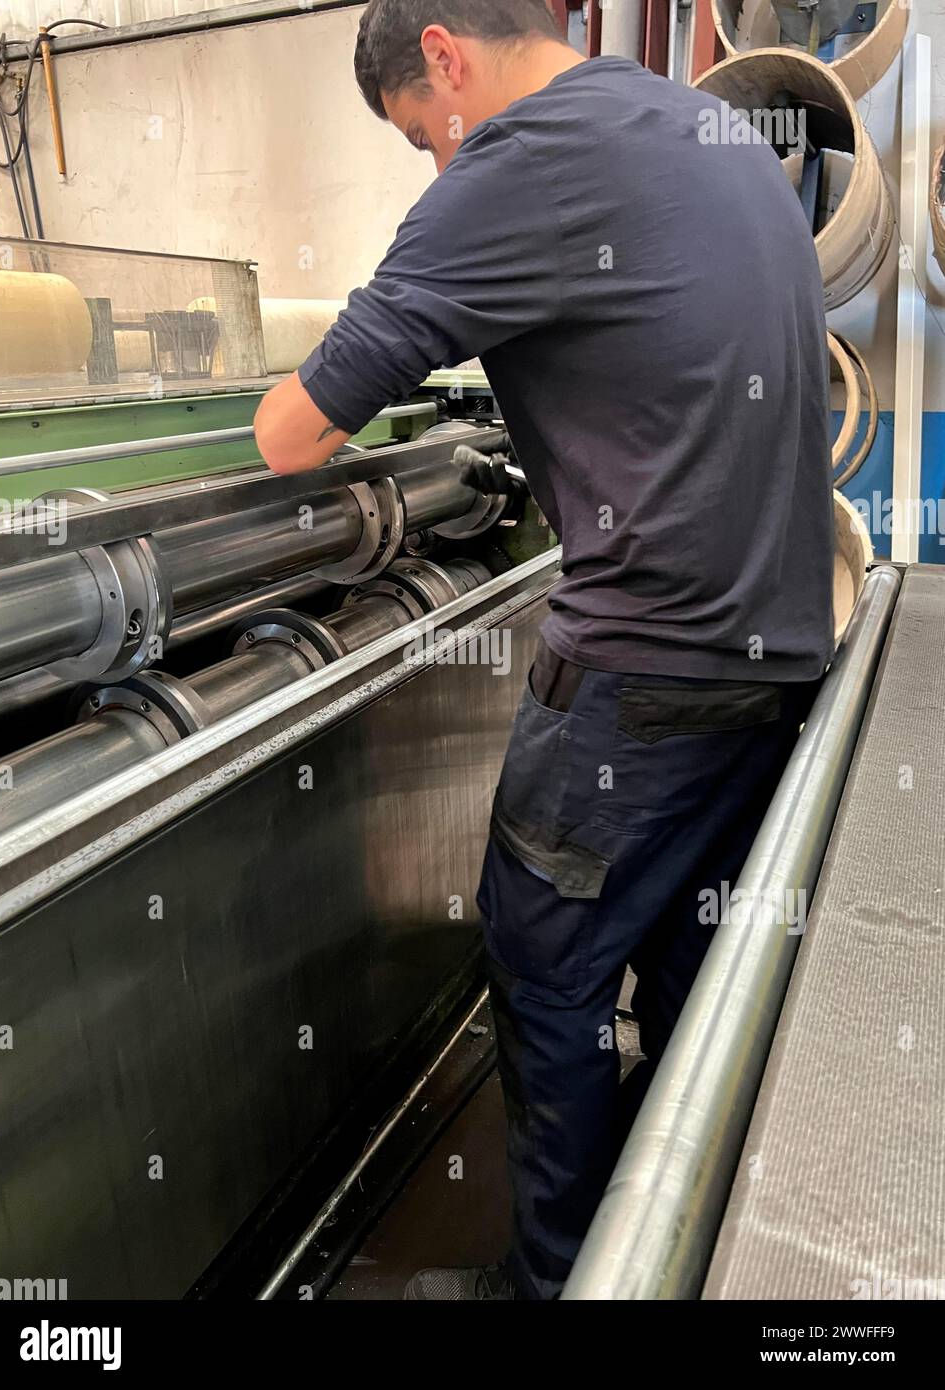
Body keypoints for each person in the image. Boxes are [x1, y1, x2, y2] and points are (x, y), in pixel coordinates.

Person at [254, 0, 834, 1301]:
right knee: (696, 973)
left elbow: (288, 435)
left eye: (421, 137)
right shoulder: (723, 131)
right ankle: (672, 1256)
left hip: (642, 676)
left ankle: (557, 1281)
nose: (436, 167)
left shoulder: (516, 163)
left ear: (447, 56)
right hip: (778, 660)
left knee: (546, 964)